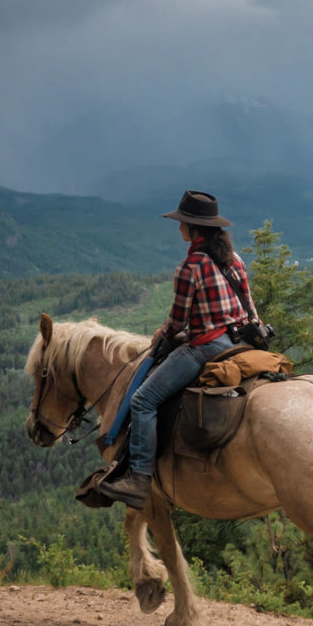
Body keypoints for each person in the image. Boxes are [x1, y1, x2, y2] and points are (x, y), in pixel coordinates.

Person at [101, 191, 261, 509]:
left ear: (193, 228)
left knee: (143, 400)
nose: (178, 229)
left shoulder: (191, 266)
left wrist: (163, 332)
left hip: (207, 348)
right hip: (240, 343)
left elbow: (177, 322)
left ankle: (139, 478)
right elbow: (251, 309)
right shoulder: (234, 259)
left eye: (182, 223)